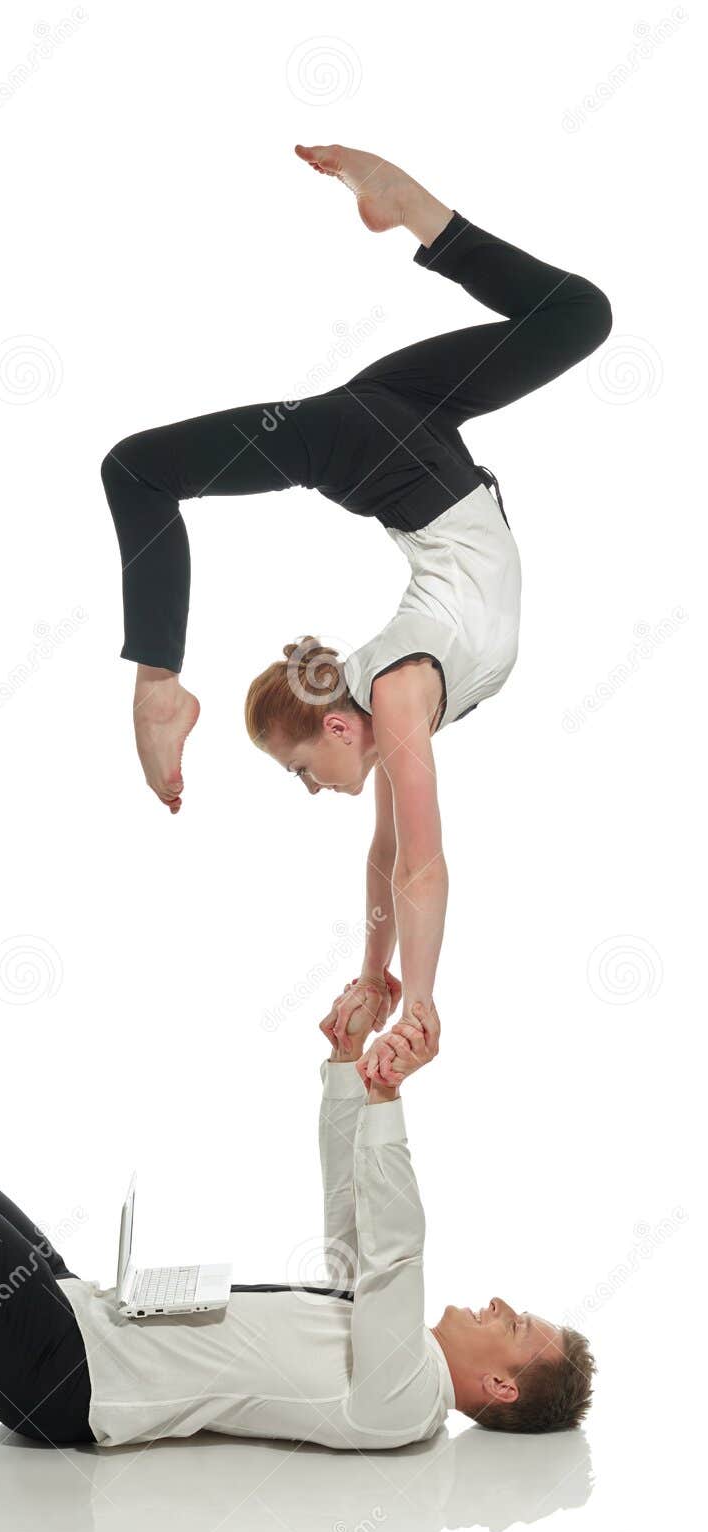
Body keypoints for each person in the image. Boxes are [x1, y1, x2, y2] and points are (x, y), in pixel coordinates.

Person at [101, 145, 612, 1042]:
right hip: (410, 432)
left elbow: (420, 860)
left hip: (384, 454)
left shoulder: (395, 691)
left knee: (138, 471)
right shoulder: (385, 706)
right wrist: (375, 982)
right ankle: (410, 210)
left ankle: (157, 686)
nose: (309, 788)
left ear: (336, 726)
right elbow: (389, 858)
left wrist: (419, 1000)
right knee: (578, 315)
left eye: (299, 771)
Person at [0, 999, 594, 1462]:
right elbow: (352, 1218)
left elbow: (398, 1250)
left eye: (513, 1328)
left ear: (500, 1390)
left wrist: (392, 1099)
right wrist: (341, 1066)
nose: (500, 1305)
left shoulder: (405, 1404)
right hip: (87, 1323)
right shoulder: (394, 1353)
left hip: (60, 1384)